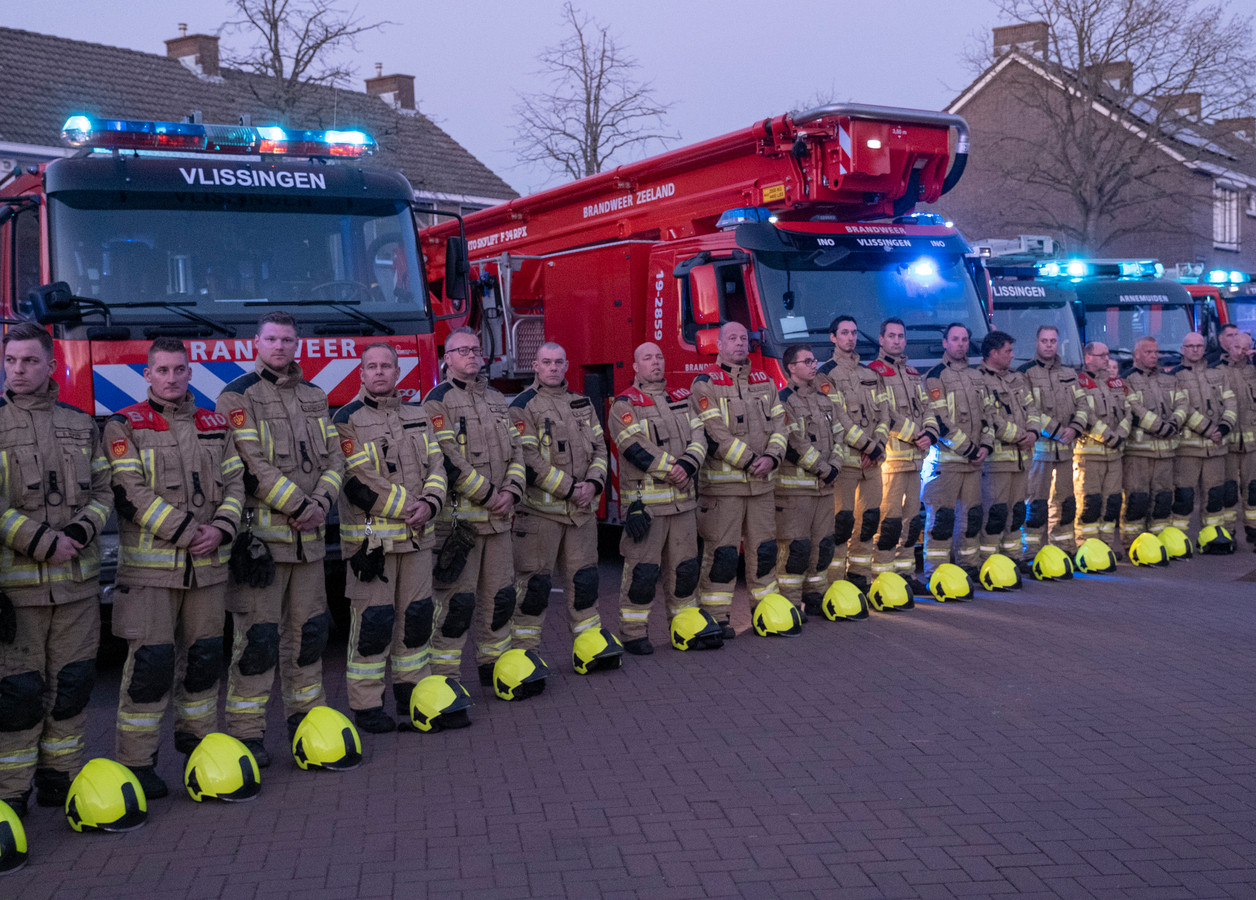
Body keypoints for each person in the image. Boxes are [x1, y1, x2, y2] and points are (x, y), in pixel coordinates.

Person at [105, 337, 243, 798]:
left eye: (179, 370)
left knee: (204, 664)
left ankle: (200, 750)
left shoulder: (213, 424)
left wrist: (221, 529)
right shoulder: (124, 425)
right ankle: (137, 764)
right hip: (150, 575)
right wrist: (190, 532)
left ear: (190, 373)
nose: (171, 378)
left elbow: (236, 484)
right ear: (147, 375)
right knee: (150, 668)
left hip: (208, 570)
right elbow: (129, 492)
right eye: (161, 370)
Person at [216, 312, 344, 767]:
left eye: (287, 339)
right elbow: (249, 464)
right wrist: (300, 506)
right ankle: (247, 735)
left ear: (297, 344)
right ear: (256, 342)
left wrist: (323, 503)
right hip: (264, 547)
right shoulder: (237, 395)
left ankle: (309, 724)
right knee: (258, 641)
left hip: (308, 545)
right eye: (271, 338)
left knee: (309, 636)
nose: (280, 346)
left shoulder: (315, 396)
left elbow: (335, 457)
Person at [0, 323, 111, 816]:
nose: (18, 369)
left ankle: (60, 780)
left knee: (72, 686)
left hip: (77, 587)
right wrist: (43, 541)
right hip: (17, 590)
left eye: (28, 361)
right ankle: (11, 795)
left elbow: (107, 491)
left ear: (51, 366)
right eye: (11, 360)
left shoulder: (82, 423)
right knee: (20, 695)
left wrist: (83, 533)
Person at [333, 342, 446, 733]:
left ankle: (414, 695)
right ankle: (366, 707)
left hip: (417, 541)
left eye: (386, 366)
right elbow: (359, 479)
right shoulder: (346, 419)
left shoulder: (418, 415)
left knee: (417, 622)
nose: (379, 372)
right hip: (374, 546)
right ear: (361, 373)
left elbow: (437, 463)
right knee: (373, 626)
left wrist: (431, 502)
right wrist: (410, 508)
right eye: (372, 367)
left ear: (397, 371)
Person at [423, 328, 525, 686]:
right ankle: (444, 678)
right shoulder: (437, 401)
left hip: (498, 523)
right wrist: (487, 494)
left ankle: (495, 668)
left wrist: (511, 490)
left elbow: (518, 451)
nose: (470, 355)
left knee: (500, 599)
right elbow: (445, 457)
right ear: (447, 359)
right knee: (455, 606)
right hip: (460, 527)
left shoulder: (497, 399)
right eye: (461, 350)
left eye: (475, 349)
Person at [509, 343, 609, 655]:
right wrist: (571, 489)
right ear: (535, 366)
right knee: (534, 589)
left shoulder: (582, 402)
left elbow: (601, 448)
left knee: (585, 583)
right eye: (547, 362)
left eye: (559, 362)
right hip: (541, 515)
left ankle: (589, 646)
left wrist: (593, 484)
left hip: (581, 515)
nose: (553, 368)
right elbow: (528, 459)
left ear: (566, 366)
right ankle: (524, 655)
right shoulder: (521, 406)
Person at [690, 322, 787, 638]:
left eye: (744, 338)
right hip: (723, 488)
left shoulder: (765, 381)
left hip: (761, 485)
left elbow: (780, 426)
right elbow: (713, 432)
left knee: (765, 551)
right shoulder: (704, 384)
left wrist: (771, 458)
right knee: (722, 554)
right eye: (732, 338)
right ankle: (716, 618)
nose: (739, 343)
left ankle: (767, 613)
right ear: (718, 344)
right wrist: (750, 461)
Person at [608, 342, 705, 655]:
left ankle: (685, 627)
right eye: (647, 358)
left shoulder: (683, 398)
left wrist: (688, 464)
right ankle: (634, 633)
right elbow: (633, 446)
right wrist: (673, 469)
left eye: (659, 357)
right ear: (635, 366)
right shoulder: (624, 404)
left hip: (683, 504)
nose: (655, 363)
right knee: (642, 573)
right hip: (648, 508)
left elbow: (700, 435)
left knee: (686, 569)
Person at [818, 315, 889, 592]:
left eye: (854, 333)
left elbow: (884, 414)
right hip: (845, 464)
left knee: (869, 521)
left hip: (872, 463)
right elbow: (837, 419)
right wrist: (868, 446)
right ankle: (834, 583)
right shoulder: (826, 374)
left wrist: (879, 445)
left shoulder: (871, 374)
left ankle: (860, 575)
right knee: (841, 524)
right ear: (833, 337)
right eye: (844, 333)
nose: (851, 338)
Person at [869, 318, 937, 594]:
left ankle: (906, 574)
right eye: (892, 336)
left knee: (911, 522)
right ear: (881, 339)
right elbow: (882, 411)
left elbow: (928, 407)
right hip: (891, 461)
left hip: (915, 461)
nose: (897, 340)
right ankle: (882, 577)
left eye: (901, 336)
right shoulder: (873, 372)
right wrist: (915, 434)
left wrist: (930, 433)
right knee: (888, 522)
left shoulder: (912, 373)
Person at [921, 323, 993, 580]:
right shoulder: (934, 377)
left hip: (973, 463)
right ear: (945, 343)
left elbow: (989, 414)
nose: (960, 344)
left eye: (964, 339)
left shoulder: (977, 376)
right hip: (947, 464)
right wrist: (971, 449)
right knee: (941, 522)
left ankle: (968, 567)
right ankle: (936, 573)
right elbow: (939, 422)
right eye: (955, 339)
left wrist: (986, 445)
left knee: (971, 519)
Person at [776, 345, 842, 619]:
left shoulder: (825, 400)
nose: (814, 365)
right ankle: (790, 603)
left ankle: (815, 595)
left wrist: (835, 465)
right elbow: (793, 443)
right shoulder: (782, 400)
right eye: (807, 361)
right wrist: (823, 468)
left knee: (823, 545)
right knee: (796, 548)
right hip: (796, 491)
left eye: (814, 360)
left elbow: (838, 433)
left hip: (825, 489)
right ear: (791, 367)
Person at [1017, 325, 1088, 558]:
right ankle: (1032, 552)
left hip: (1066, 451)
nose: (1049, 345)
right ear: (1037, 343)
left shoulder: (1068, 373)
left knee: (1066, 504)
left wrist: (1075, 428)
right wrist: (1058, 431)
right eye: (1045, 341)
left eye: (1053, 341)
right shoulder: (1024, 373)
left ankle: (1064, 550)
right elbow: (1030, 410)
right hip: (1039, 453)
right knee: (1035, 506)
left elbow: (1083, 405)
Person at [976, 331, 1041, 565]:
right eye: (1008, 351)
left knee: (1016, 513)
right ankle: (989, 561)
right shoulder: (979, 378)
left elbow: (1032, 408)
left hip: (1021, 459)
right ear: (993, 353)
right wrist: (1019, 436)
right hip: (997, 462)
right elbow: (988, 416)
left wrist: (1033, 432)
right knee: (995, 514)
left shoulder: (1017, 379)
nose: (1012, 356)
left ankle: (1012, 558)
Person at [1169, 332, 1236, 533]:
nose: (1195, 349)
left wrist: (1224, 427)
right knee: (1184, 497)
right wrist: (1208, 429)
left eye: (1199, 346)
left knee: (1215, 496)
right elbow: (1183, 408)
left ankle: (1212, 537)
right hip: (1187, 450)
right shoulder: (1174, 376)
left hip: (1216, 449)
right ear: (1183, 349)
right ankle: (1178, 540)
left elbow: (1231, 402)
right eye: (1190, 346)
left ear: (1204, 348)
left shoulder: (1217, 374)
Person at [1120, 337, 1183, 546]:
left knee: (1163, 499)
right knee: (1137, 499)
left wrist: (1173, 424)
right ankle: (1132, 541)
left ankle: (1159, 540)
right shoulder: (1126, 380)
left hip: (1165, 452)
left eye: (1156, 352)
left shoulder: (1168, 379)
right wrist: (1161, 427)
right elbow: (1133, 408)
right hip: (1138, 452)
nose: (1154, 356)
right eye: (1148, 352)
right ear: (1136, 354)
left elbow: (1183, 403)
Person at [1073, 342, 1130, 552]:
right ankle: (1086, 548)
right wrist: (1108, 436)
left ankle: (1106, 547)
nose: (1106, 359)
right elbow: (1084, 415)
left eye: (1108, 354)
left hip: (1114, 455)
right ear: (1088, 357)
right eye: (1101, 355)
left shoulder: (1114, 383)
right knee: (1090, 504)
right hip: (1089, 456)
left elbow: (1128, 411)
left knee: (1112, 504)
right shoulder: (1078, 382)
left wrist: (1120, 435)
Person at [1218, 331, 1256, 547]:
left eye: (1245, 348)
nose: (1240, 353)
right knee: (1229, 491)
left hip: (1252, 445)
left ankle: (1253, 531)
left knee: (1253, 491)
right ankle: (1228, 533)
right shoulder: (1217, 372)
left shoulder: (1253, 370)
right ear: (1228, 347)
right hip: (1229, 443)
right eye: (1236, 348)